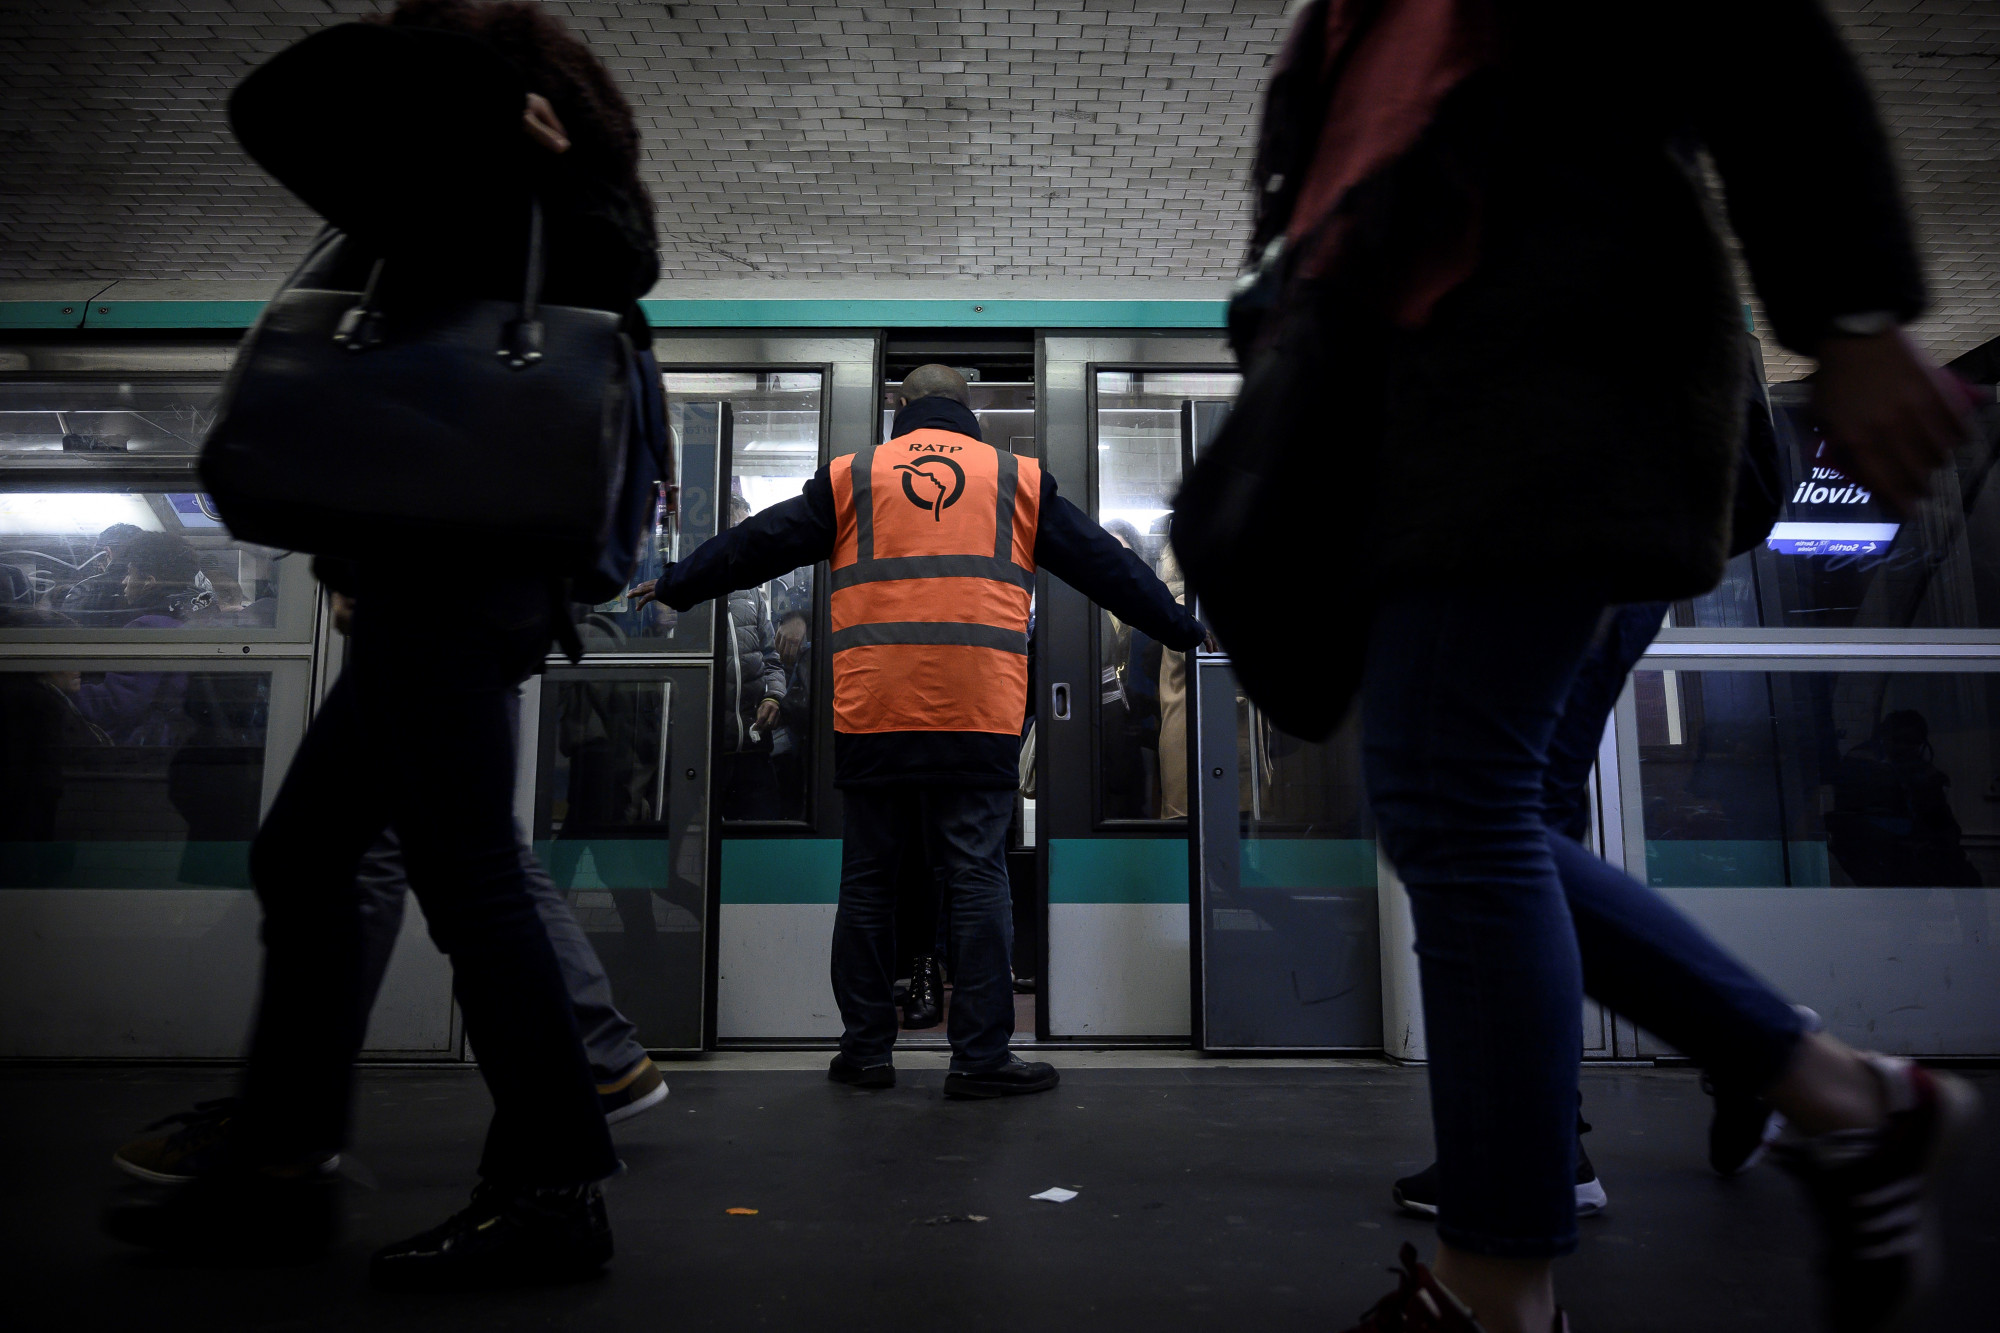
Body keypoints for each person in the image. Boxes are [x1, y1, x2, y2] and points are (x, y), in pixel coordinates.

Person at [1205, 4, 1981, 1332]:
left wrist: (1849, 314)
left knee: (1456, 804)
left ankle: (1506, 1282)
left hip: (1552, 375)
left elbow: (1758, 38)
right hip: (1445, 419)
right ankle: (1836, 1100)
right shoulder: (1338, 28)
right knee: (1473, 812)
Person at [104, 0, 662, 1291]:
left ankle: (545, 1186)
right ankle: (287, 1152)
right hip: (455, 576)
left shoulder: (510, 186)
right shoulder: (484, 186)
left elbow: (283, 102)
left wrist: (482, 116)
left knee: (462, 873)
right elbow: (288, 108)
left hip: (452, 580)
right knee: (312, 852)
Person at [635, 364, 1206, 1096]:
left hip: (875, 710)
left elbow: (758, 542)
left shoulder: (854, 475)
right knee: (976, 878)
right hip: (976, 713)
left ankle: (867, 1050)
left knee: (870, 881)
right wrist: (1184, 628)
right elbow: (1108, 567)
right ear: (964, 406)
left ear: (901, 407)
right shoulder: (1016, 477)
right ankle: (979, 1057)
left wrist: (680, 580)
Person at [111, 588, 666, 1188]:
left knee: (359, 856)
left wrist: (367, 572)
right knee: (436, 857)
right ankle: (582, 1099)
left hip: (430, 600)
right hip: (455, 604)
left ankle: (288, 1135)